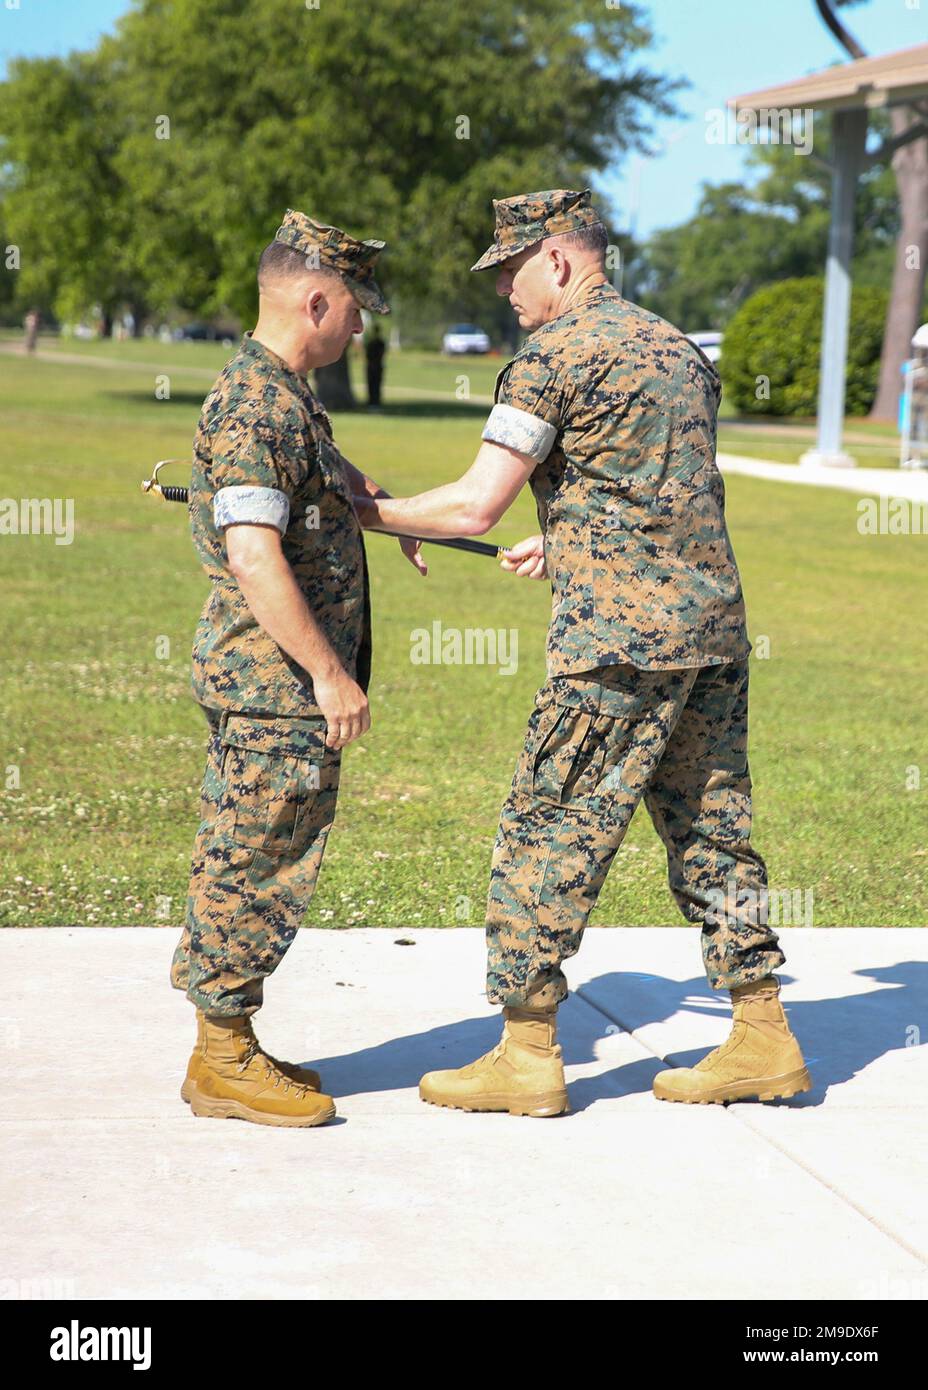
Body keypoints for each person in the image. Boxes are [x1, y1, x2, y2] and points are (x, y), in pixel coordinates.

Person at [354, 188, 811, 1118]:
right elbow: (656, 493)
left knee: (549, 826)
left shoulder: (552, 358)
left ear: (559, 260)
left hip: (614, 646)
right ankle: (764, 1034)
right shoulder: (678, 349)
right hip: (712, 633)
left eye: (511, 272)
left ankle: (526, 1050)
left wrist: (362, 512)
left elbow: (476, 505)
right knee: (712, 831)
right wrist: (567, 541)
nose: (503, 294)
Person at [169, 208, 425, 1128]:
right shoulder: (255, 402)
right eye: (355, 309)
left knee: (257, 847)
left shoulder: (281, 393)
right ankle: (222, 1057)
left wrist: (368, 498)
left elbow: (309, 477)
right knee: (255, 857)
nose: (361, 325)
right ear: (316, 299)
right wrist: (327, 672)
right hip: (274, 688)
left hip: (273, 687)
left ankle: (229, 1041)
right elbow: (252, 552)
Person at [364, 323, 387, 407]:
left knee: (375, 384)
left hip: (375, 366)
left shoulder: (377, 343)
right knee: (372, 384)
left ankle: (375, 401)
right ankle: (372, 401)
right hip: (373, 366)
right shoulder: (377, 343)